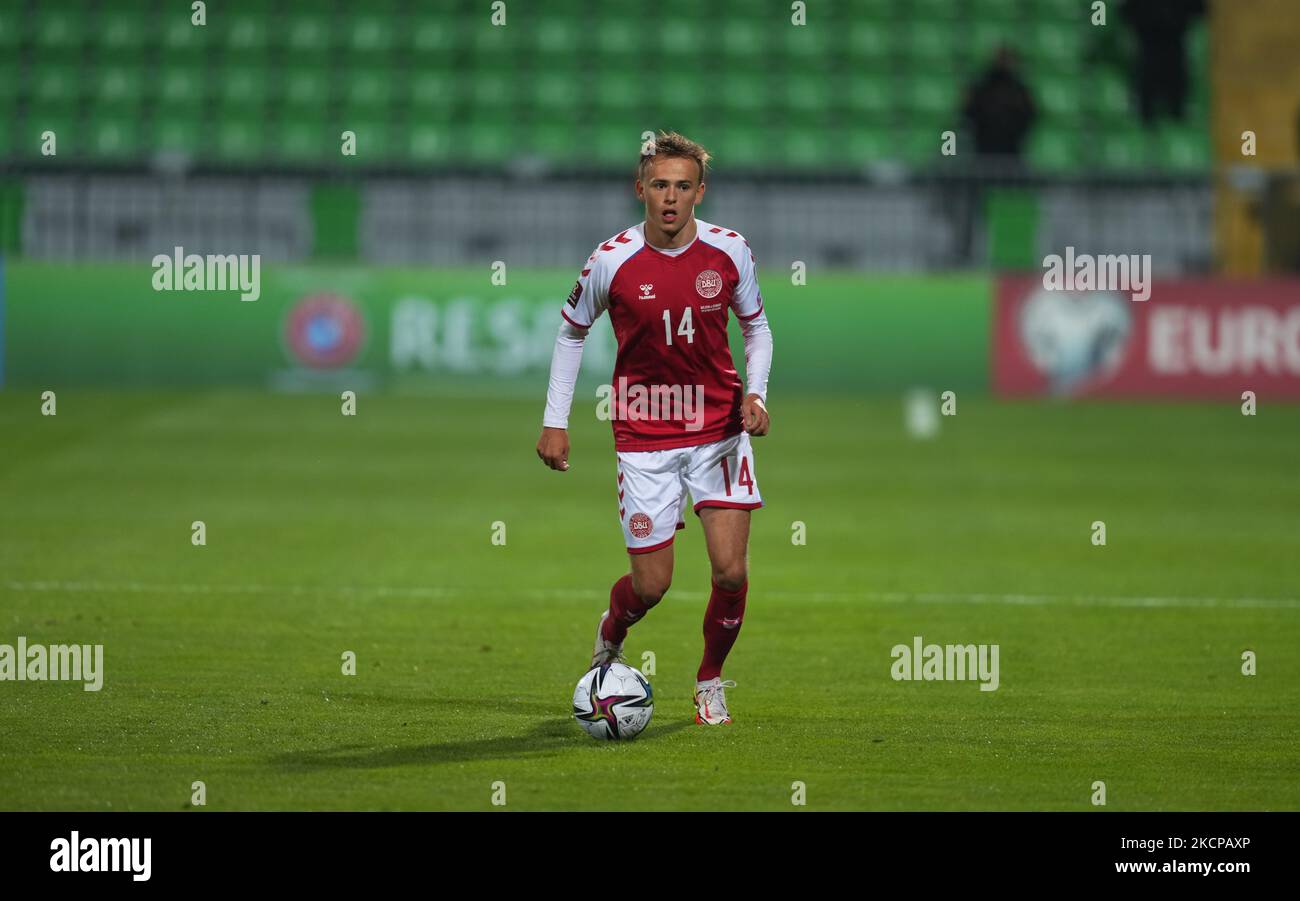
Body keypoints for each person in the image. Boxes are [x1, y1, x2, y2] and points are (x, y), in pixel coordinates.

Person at [536, 130, 774, 725]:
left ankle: (710, 680)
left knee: (731, 570)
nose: (671, 198)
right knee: (652, 585)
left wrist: (757, 393)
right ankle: (612, 633)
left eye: (683, 187)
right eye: (660, 185)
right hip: (644, 439)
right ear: (640, 188)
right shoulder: (610, 259)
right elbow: (571, 331)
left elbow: (758, 328)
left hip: (718, 430)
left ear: (701, 192)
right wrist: (554, 422)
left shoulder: (730, 251)